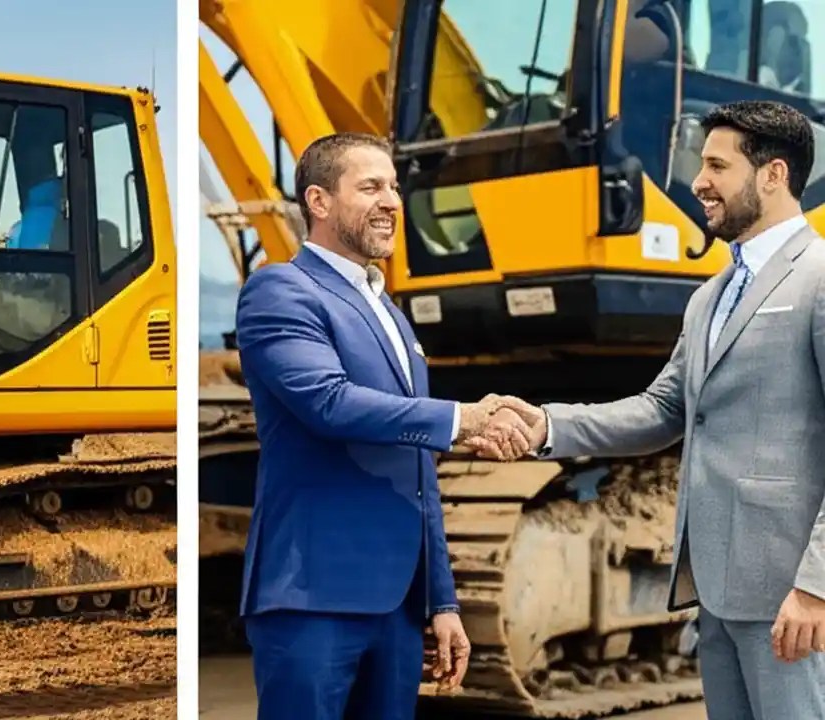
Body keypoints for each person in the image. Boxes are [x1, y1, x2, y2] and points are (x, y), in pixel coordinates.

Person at [486, 100, 825, 719]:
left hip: (789, 595)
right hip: (716, 590)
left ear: (773, 175)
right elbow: (662, 408)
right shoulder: (708, 297)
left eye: (717, 166)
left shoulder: (821, 276)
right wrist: (547, 425)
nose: (698, 182)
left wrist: (815, 587)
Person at [233, 131, 532, 719]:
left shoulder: (390, 312)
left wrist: (442, 602)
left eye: (394, 187)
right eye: (370, 187)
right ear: (318, 202)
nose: (392, 201)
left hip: (396, 610)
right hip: (314, 597)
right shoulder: (280, 290)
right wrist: (461, 418)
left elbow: (418, 472)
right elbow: (328, 402)